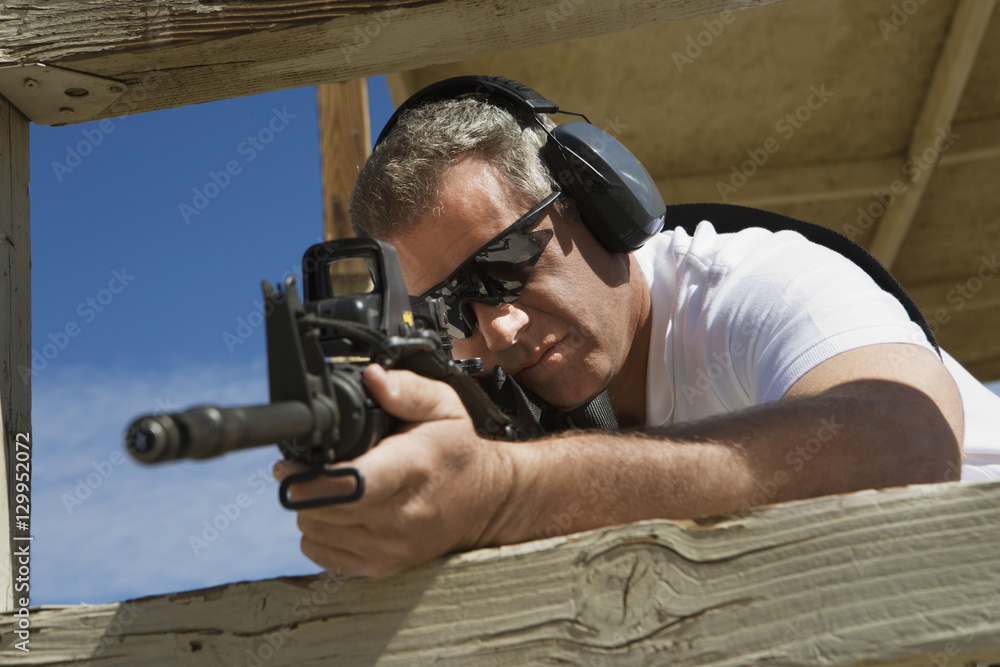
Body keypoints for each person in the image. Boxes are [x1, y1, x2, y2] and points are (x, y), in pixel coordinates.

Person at [274, 77, 998, 578]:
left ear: (596, 201)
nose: (499, 329)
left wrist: (503, 494)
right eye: (456, 306)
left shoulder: (759, 281)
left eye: (506, 263)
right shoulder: (503, 403)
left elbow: (907, 443)